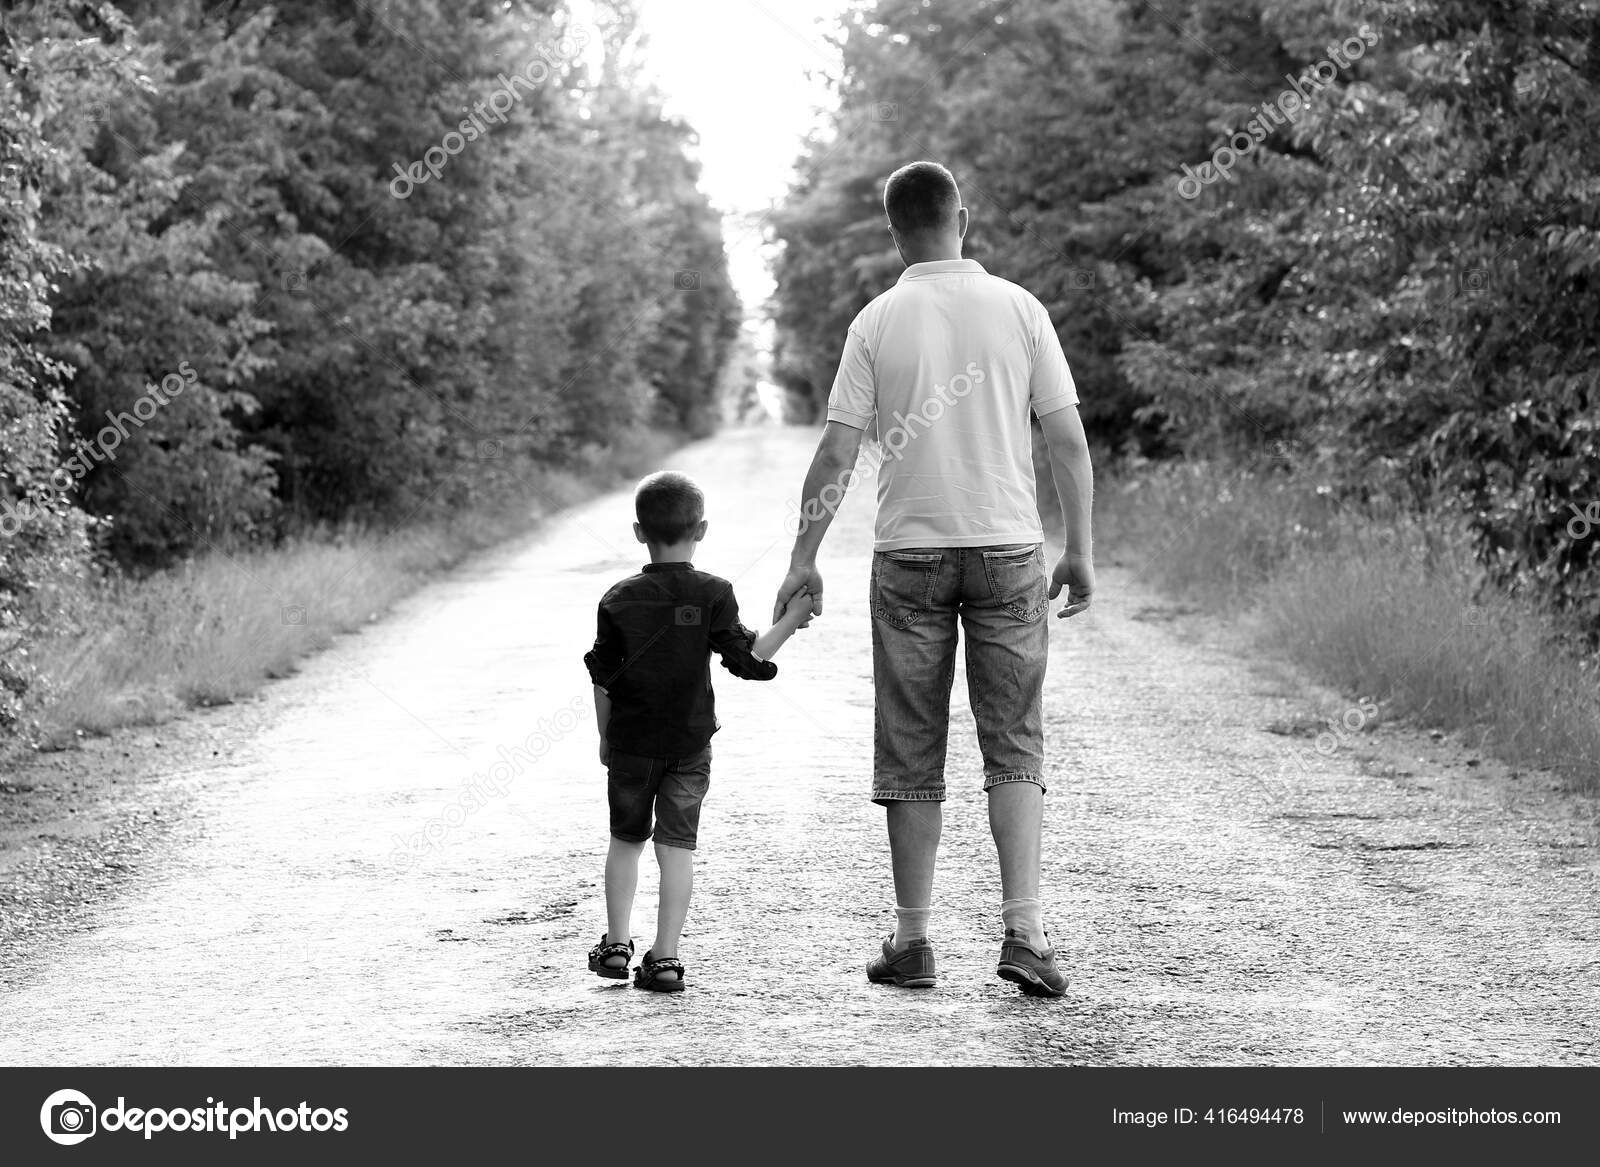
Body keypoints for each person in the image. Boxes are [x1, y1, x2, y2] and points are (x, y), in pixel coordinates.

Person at [773, 160, 1095, 997]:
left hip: (909, 555)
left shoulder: (876, 320)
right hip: (1007, 549)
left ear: (893, 231)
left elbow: (837, 452)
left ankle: (913, 941)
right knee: (1014, 741)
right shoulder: (1021, 309)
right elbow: (1066, 440)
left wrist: (803, 559)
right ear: (965, 216)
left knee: (911, 745)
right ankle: (1023, 930)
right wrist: (1080, 547)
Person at [585, 470, 814, 992]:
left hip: (631, 743)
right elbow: (749, 659)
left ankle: (617, 946)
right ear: (701, 530)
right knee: (676, 847)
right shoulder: (713, 592)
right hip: (689, 746)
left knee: (625, 840)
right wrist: (791, 620)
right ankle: (664, 959)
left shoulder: (618, 598)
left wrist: (605, 736)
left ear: (639, 531)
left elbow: (603, 676)